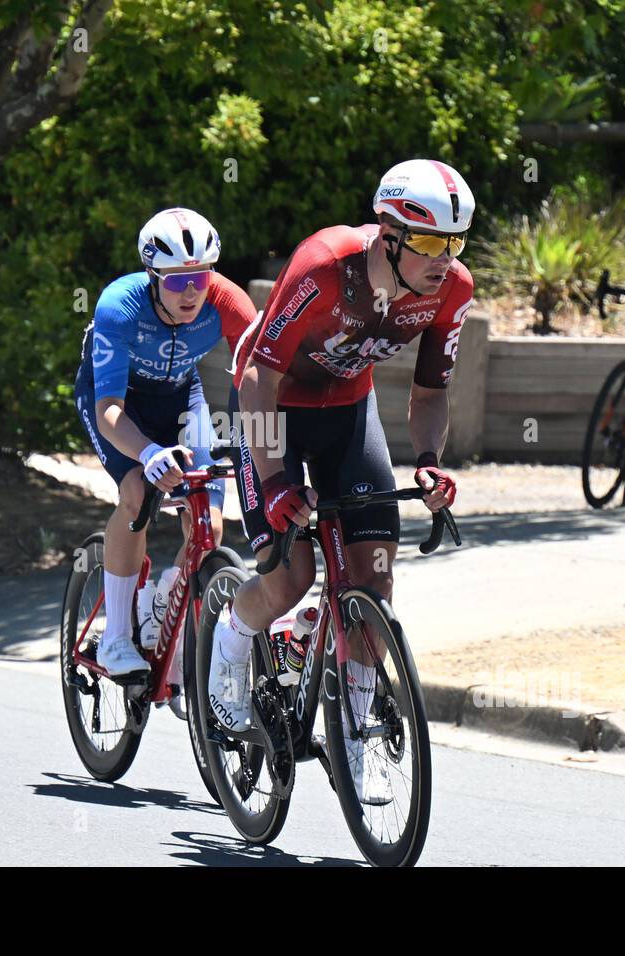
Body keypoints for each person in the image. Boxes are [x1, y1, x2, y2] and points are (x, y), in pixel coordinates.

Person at [214, 159, 472, 802]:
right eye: (433, 243)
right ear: (389, 233)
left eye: (456, 242)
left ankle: (356, 735)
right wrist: (274, 480)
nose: (446, 259)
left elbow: (431, 388)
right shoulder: (323, 266)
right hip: (273, 410)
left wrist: (431, 460)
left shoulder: (452, 290)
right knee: (291, 577)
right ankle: (229, 644)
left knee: (375, 579)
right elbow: (257, 379)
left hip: (348, 415)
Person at [73, 207, 255, 677]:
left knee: (209, 529)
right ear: (153, 276)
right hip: (118, 403)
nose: (192, 291)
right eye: (176, 281)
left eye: (200, 276)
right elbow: (109, 411)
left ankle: (163, 605)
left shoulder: (229, 302)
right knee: (137, 494)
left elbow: (258, 378)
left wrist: (253, 438)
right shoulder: (120, 305)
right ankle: (115, 638)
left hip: (180, 397)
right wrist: (149, 452)